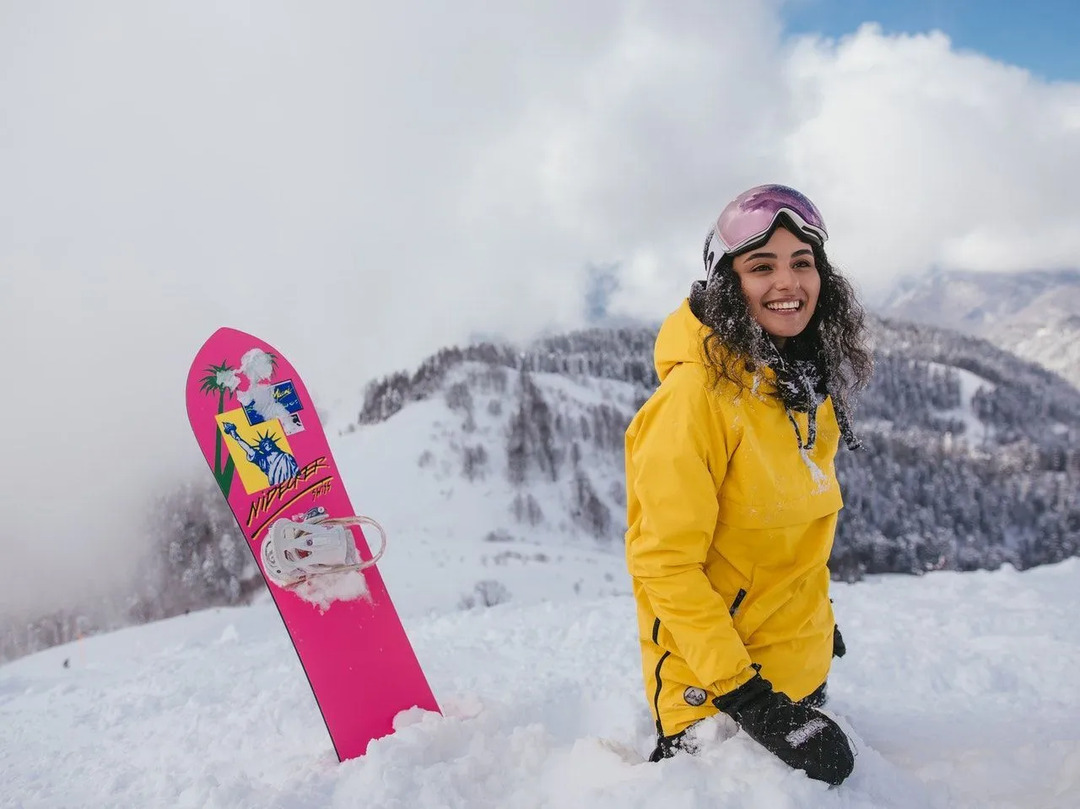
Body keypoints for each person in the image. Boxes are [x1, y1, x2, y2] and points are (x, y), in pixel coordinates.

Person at [624, 184, 873, 786]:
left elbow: (790, 531)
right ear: (727, 284)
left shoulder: (800, 383)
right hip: (719, 704)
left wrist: (815, 621)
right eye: (762, 266)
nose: (787, 283)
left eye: (802, 263)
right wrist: (750, 702)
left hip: (799, 678)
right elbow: (665, 566)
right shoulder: (694, 401)